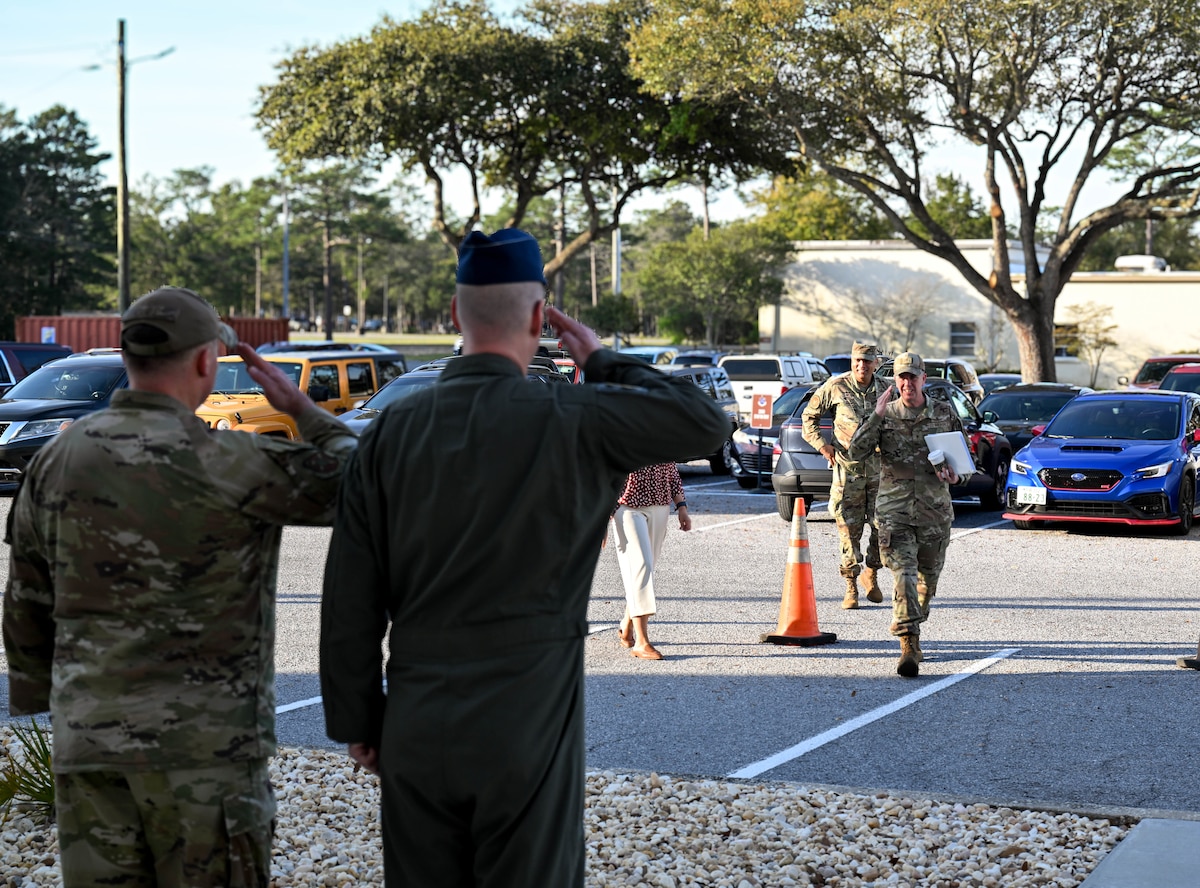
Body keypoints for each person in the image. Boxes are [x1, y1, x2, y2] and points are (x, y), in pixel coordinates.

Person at [319, 228, 729, 888]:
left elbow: (349, 597)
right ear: (540, 319)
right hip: (528, 719)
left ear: (454, 315)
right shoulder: (575, 416)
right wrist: (602, 359)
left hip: (419, 714)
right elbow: (704, 421)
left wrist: (358, 719)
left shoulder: (391, 431)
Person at [3, 286, 358, 887]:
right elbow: (364, 478)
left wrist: (44, 699)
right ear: (203, 362)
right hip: (206, 754)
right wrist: (302, 410)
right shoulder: (231, 458)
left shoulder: (57, 459)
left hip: (91, 744)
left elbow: (26, 598)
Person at [847, 352, 968, 678]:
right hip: (894, 513)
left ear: (923, 379)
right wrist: (874, 416)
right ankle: (908, 645)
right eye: (901, 377)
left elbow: (965, 462)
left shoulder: (943, 413)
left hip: (934, 515)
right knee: (903, 576)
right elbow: (854, 453)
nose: (906, 383)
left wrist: (957, 477)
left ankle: (910, 620)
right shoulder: (884, 414)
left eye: (912, 377)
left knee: (927, 582)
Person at [801, 339, 890, 609]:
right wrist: (823, 446)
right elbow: (809, 417)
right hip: (847, 471)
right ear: (852, 362)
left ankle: (871, 573)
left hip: (878, 470)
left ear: (876, 363)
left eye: (866, 361)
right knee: (848, 528)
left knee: (882, 527)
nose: (861, 366)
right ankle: (850, 585)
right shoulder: (836, 386)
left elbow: (901, 419)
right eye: (857, 361)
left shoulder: (887, 390)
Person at [613, 462, 691, 661]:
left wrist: (681, 506)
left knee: (646, 571)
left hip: (660, 507)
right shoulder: (622, 430)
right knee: (642, 566)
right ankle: (641, 642)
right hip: (627, 506)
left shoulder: (666, 432)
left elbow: (672, 472)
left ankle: (627, 626)